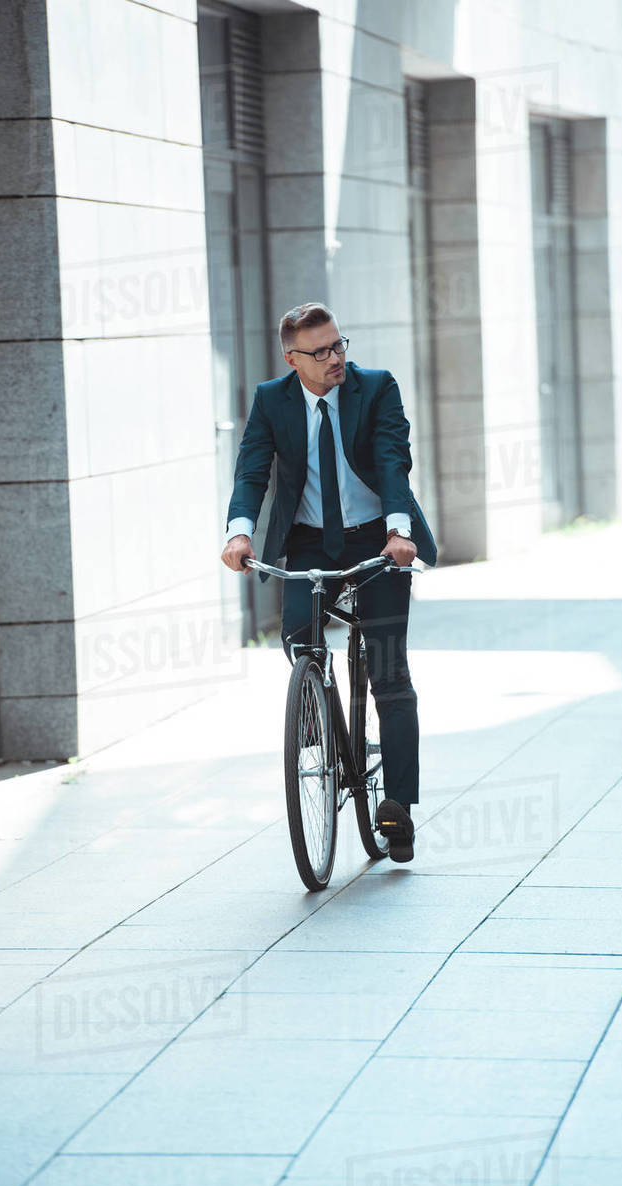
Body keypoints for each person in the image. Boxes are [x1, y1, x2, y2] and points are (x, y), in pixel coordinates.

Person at [221, 302, 437, 863]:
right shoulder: (272, 400)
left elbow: (393, 461)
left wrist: (399, 530)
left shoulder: (377, 387)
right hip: (310, 540)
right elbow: (251, 470)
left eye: (340, 345)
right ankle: (319, 713)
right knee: (298, 641)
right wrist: (239, 533)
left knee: (389, 669)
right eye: (321, 352)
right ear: (293, 359)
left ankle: (397, 805)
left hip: (378, 539)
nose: (336, 358)